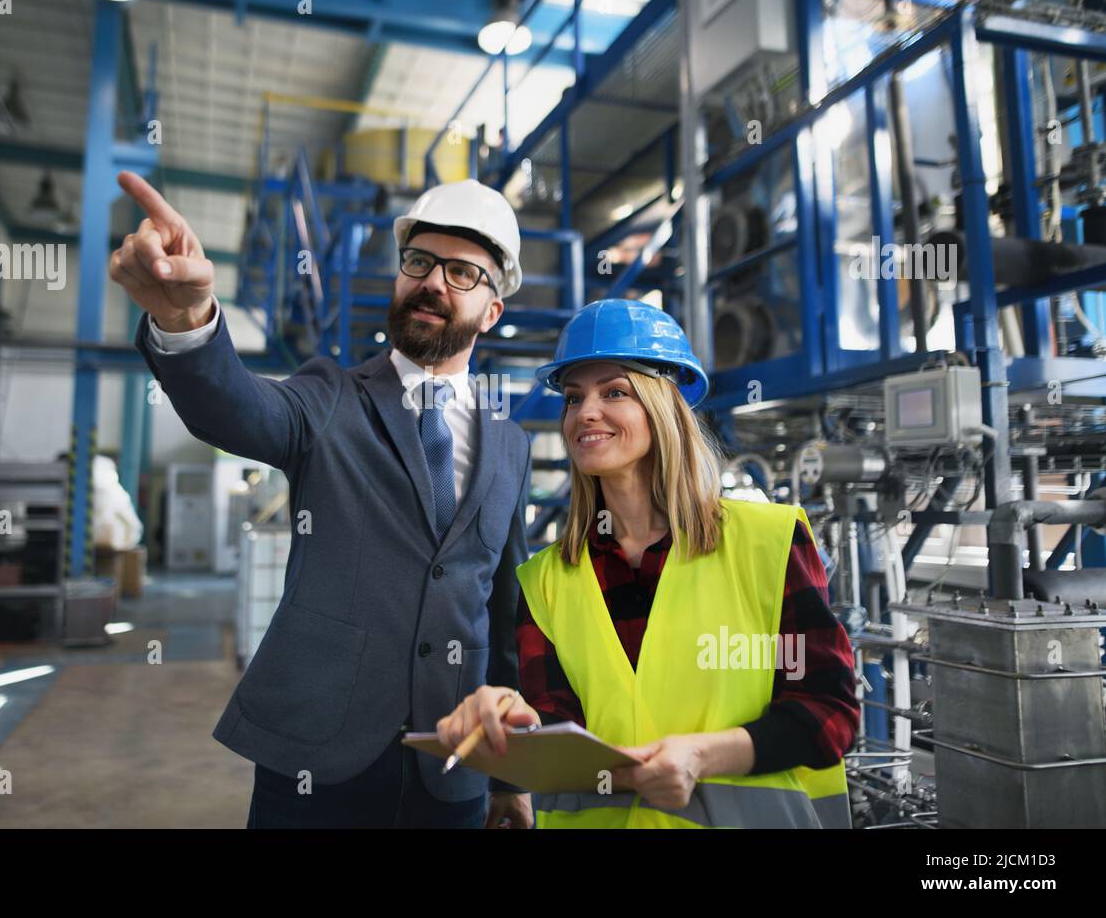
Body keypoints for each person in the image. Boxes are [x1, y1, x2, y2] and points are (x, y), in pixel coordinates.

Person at [111, 173, 534, 828]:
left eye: (462, 272)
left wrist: (509, 774)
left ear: (493, 310)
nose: (432, 282)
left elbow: (503, 611)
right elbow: (237, 410)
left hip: (455, 763)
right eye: (419, 262)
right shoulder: (330, 395)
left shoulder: (509, 445)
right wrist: (185, 318)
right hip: (317, 759)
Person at [436, 299, 860, 828]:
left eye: (614, 391)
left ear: (664, 406)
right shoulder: (544, 581)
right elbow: (562, 727)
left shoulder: (769, 544)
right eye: (573, 398)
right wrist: (512, 722)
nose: (585, 412)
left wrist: (704, 754)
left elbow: (829, 712)